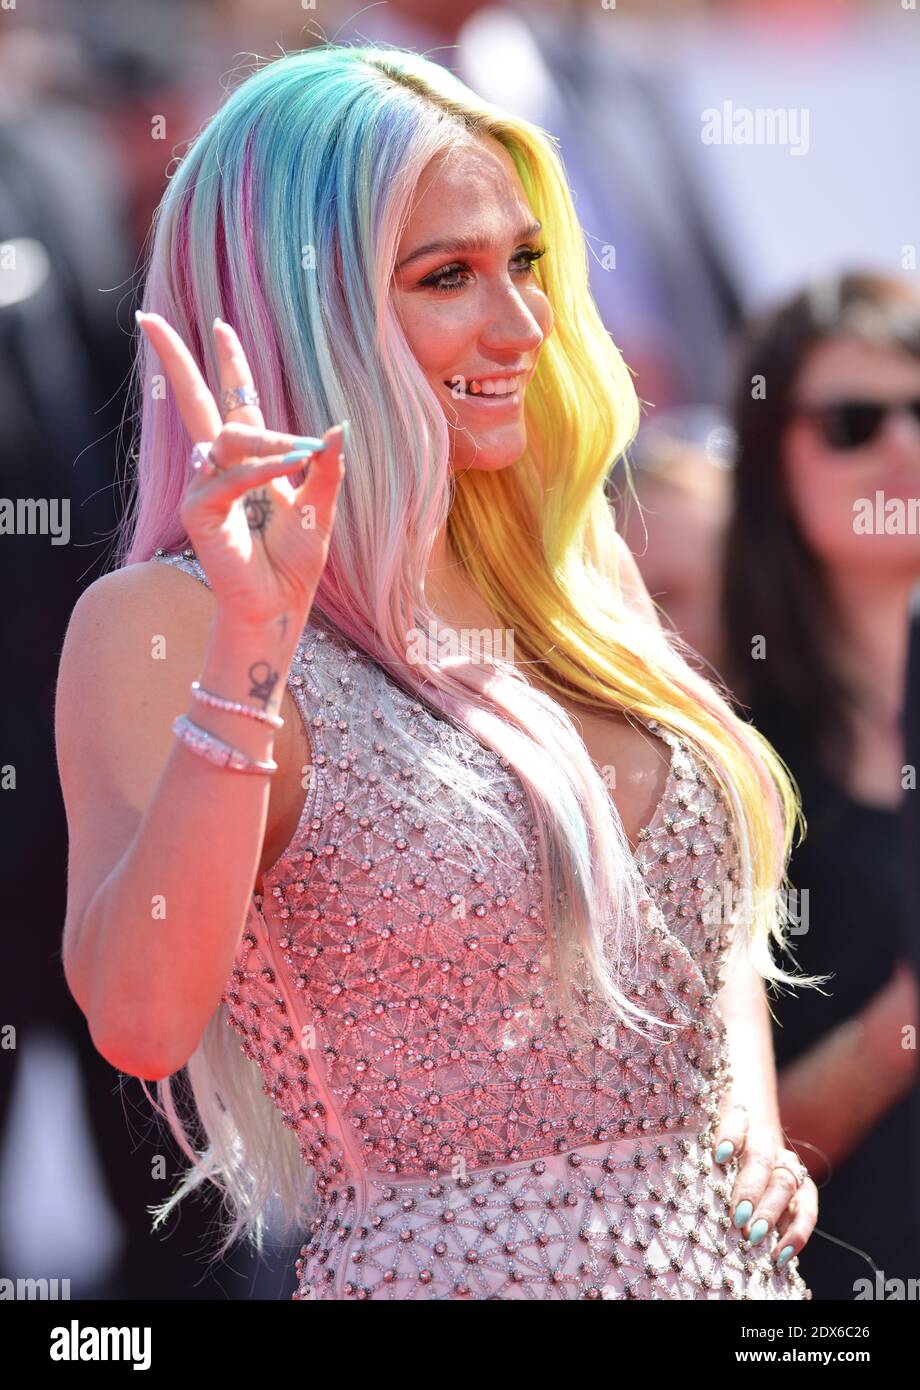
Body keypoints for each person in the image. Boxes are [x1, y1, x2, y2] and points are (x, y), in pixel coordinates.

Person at [55, 45, 819, 1301]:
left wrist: (744, 1109)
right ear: (308, 306)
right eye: (447, 276)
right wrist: (254, 636)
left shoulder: (574, 571)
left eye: (522, 262)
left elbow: (699, 901)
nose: (522, 322)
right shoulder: (164, 625)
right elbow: (140, 1018)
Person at [721, 271, 920, 1299]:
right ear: (769, 463)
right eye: (852, 420)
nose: (902, 447)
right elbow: (711, 1159)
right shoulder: (725, 763)